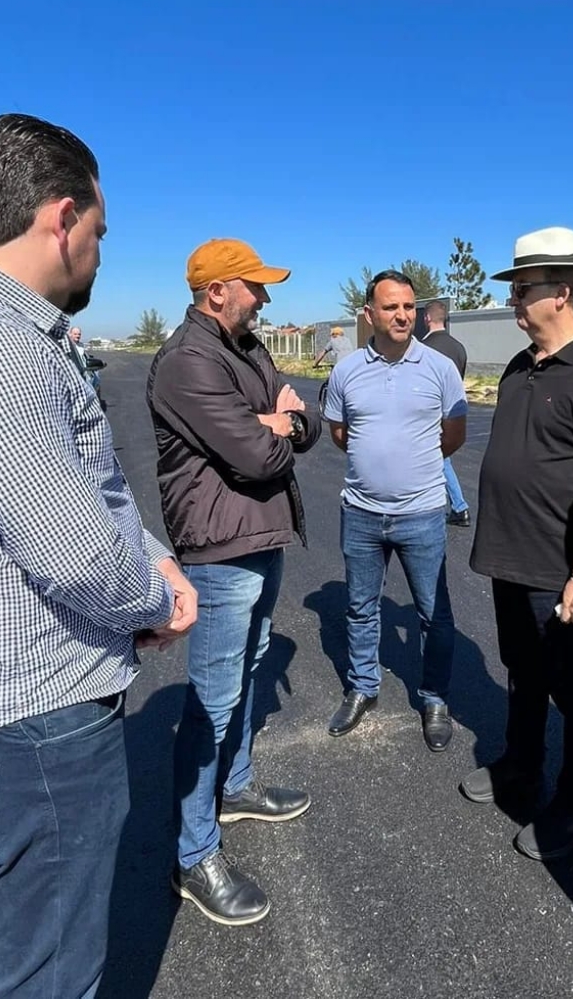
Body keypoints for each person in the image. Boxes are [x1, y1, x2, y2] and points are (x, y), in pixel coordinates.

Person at [0, 113, 196, 999]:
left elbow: (87, 484)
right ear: (61, 219)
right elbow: (79, 552)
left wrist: (156, 559)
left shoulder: (6, 331)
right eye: (99, 230)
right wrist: (155, 605)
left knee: (22, 949)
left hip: (26, 712)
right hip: (34, 717)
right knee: (45, 973)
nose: (98, 252)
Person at [147, 238, 320, 927]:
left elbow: (302, 426)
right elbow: (256, 456)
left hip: (262, 537)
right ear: (217, 290)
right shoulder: (187, 361)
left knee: (249, 669)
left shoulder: (247, 349)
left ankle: (237, 786)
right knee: (213, 702)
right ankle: (194, 855)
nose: (266, 297)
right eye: (255, 285)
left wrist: (282, 420)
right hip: (221, 552)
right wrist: (269, 424)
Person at [463, 227, 573, 861]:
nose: (513, 299)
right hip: (509, 558)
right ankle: (522, 764)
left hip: (560, 570)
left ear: (561, 293)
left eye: (523, 289)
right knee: (522, 671)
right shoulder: (519, 368)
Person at [323, 270, 468, 751]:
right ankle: (362, 687)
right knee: (360, 608)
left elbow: (454, 435)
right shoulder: (346, 371)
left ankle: (435, 699)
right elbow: (340, 434)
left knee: (434, 614)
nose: (403, 315)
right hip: (361, 514)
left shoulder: (440, 368)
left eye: (408, 306)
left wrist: (411, 465)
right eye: (391, 307)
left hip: (422, 513)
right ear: (370, 314)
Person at [421, 299, 471, 527]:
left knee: (438, 458)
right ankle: (457, 506)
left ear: (427, 318)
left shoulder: (422, 348)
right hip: (453, 411)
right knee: (442, 457)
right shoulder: (459, 348)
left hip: (429, 412)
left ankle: (458, 506)